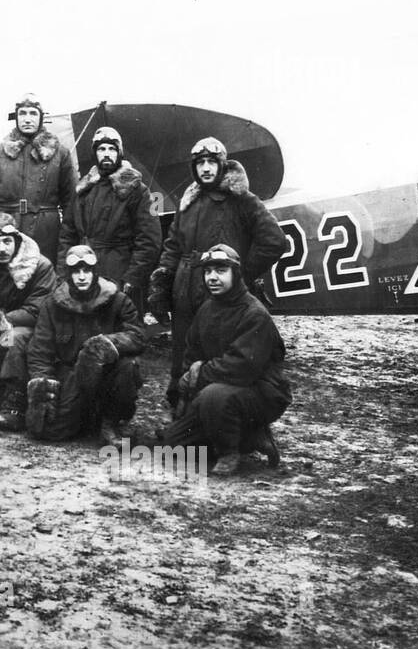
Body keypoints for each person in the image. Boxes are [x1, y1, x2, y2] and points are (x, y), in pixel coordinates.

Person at [148, 137, 285, 406]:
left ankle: (216, 422)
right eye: (200, 163)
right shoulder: (187, 203)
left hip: (220, 292)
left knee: (217, 357)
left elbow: (275, 241)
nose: (206, 168)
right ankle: (182, 418)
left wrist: (239, 274)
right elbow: (173, 245)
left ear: (222, 165)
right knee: (183, 353)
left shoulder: (242, 200)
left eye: (212, 162)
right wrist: (162, 285)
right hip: (185, 290)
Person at [167, 244, 290, 476]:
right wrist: (187, 377)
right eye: (207, 271)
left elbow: (242, 367)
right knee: (173, 443)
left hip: (262, 393)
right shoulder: (206, 308)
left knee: (215, 396)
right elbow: (192, 352)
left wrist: (198, 374)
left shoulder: (254, 313)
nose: (212, 277)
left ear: (236, 273)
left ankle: (230, 452)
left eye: (221, 271)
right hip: (218, 389)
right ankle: (251, 437)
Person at [26, 245, 146, 444]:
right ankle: (87, 419)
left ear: (95, 273)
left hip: (107, 374)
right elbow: (40, 350)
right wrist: (43, 386)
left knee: (128, 366)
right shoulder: (52, 304)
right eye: (76, 272)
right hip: (72, 376)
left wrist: (105, 344)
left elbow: (138, 336)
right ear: (68, 274)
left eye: (87, 271)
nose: (82, 277)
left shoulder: (117, 300)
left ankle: (111, 421)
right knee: (50, 432)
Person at [0, 212, 58, 429]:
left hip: (33, 332)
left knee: (12, 338)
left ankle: (14, 406)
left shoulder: (39, 266)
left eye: (7, 241)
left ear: (17, 240)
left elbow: (37, 310)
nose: (1, 248)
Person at [57, 127, 161, 314]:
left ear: (119, 153)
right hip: (83, 271)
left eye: (112, 149)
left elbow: (149, 240)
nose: (106, 154)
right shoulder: (83, 189)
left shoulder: (137, 190)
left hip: (118, 273)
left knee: (119, 328)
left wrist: (132, 278)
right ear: (95, 153)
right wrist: (64, 273)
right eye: (101, 149)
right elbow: (67, 234)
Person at [0, 93, 77, 266]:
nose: (27, 119)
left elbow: (71, 204)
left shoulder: (60, 154)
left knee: (41, 278)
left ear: (41, 117)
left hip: (46, 232)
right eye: (23, 113)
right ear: (16, 117)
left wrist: (66, 243)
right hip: (4, 231)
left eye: (33, 113)